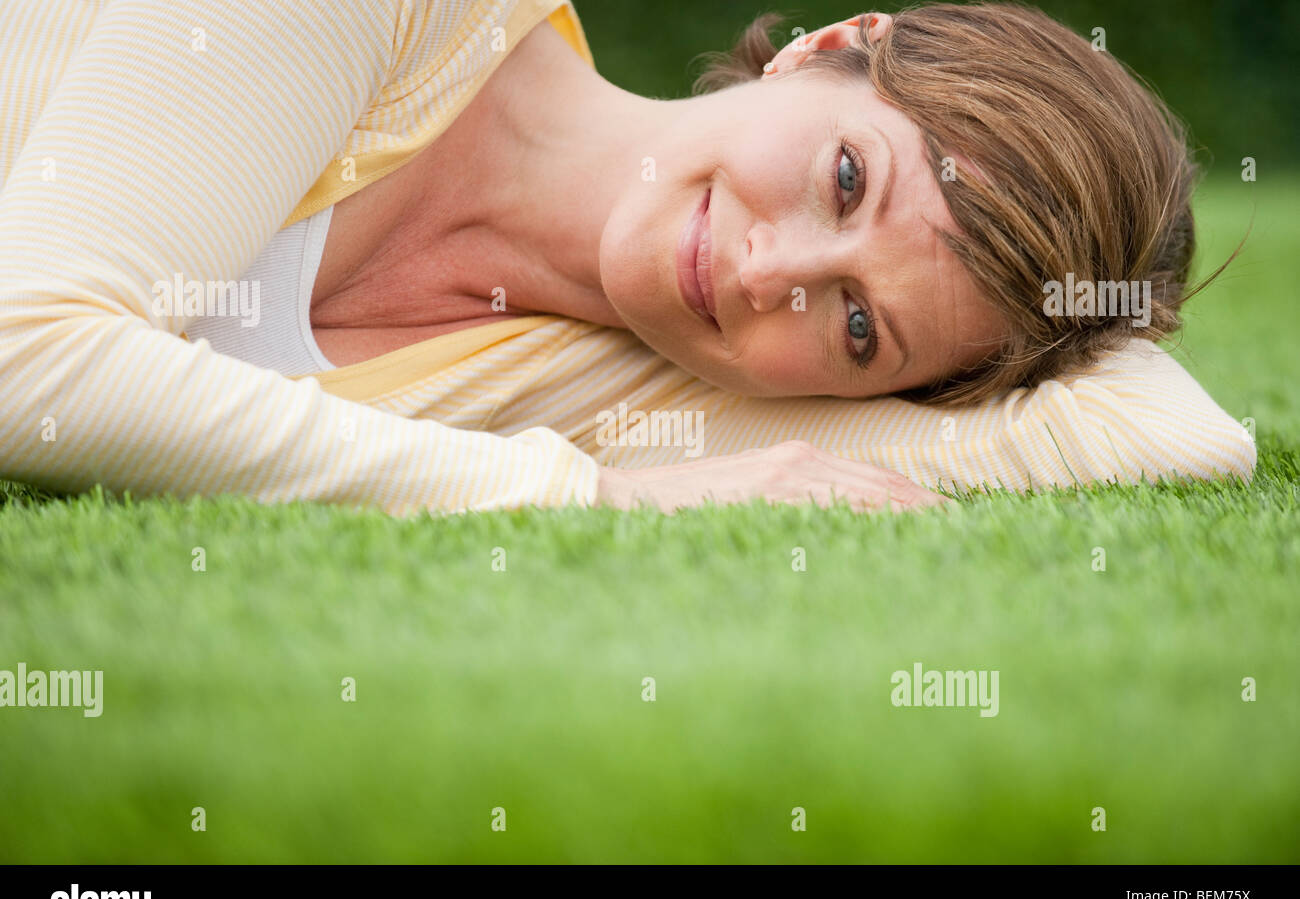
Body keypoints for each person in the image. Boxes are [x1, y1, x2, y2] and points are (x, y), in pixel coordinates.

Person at [0, 1, 1254, 515]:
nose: (771, 274)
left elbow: (1181, 444)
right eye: (846, 179)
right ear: (826, 45)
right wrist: (580, 498)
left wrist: (1091, 297)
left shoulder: (646, 395)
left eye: (860, 327)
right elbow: (28, 359)